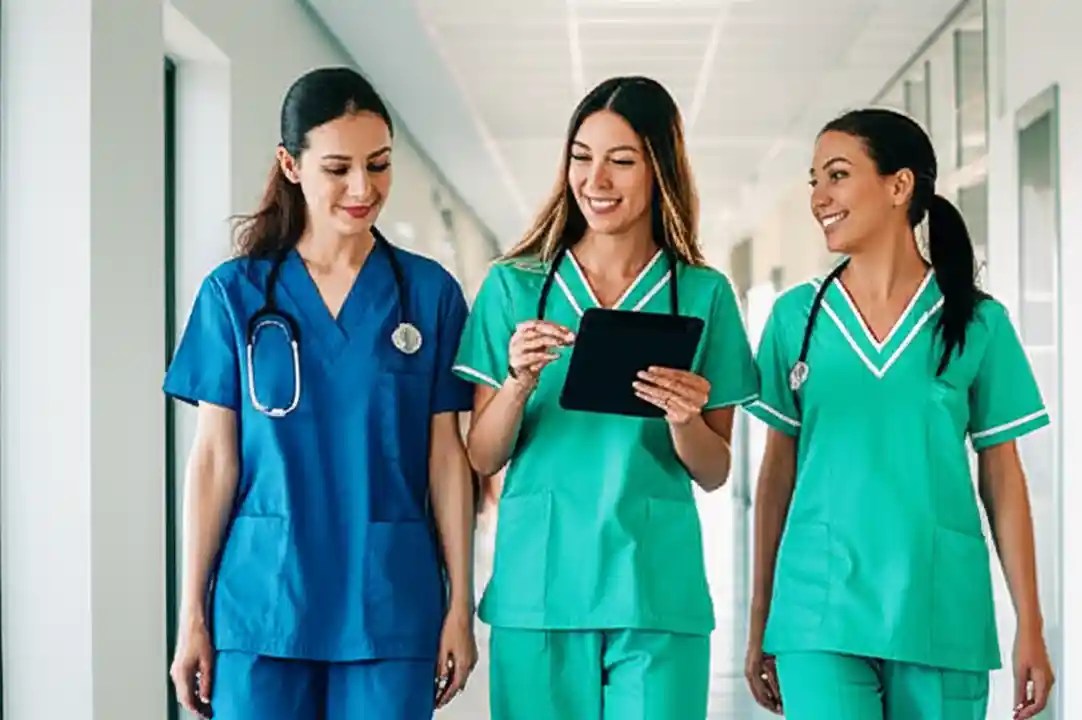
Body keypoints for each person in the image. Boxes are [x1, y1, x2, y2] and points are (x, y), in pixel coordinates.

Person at [164, 66, 477, 719]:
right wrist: (191, 613)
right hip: (263, 604)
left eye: (379, 164)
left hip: (387, 601)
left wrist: (460, 606)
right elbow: (214, 462)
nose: (363, 188)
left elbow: (446, 457)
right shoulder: (236, 294)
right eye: (338, 168)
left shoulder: (429, 294)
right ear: (291, 164)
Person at [450, 75, 759, 720]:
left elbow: (714, 469)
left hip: (654, 588)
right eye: (582, 158)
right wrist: (518, 382)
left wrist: (684, 419)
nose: (597, 180)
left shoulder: (701, 295)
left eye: (622, 161)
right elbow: (480, 455)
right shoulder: (515, 287)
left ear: (659, 171)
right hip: (539, 588)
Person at [743, 107, 1056, 720]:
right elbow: (776, 476)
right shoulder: (794, 320)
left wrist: (1031, 625)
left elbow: (1003, 480)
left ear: (899, 185)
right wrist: (761, 621)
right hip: (818, 608)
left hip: (938, 607)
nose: (819, 198)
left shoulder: (977, 322)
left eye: (836, 175)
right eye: (814, 181)